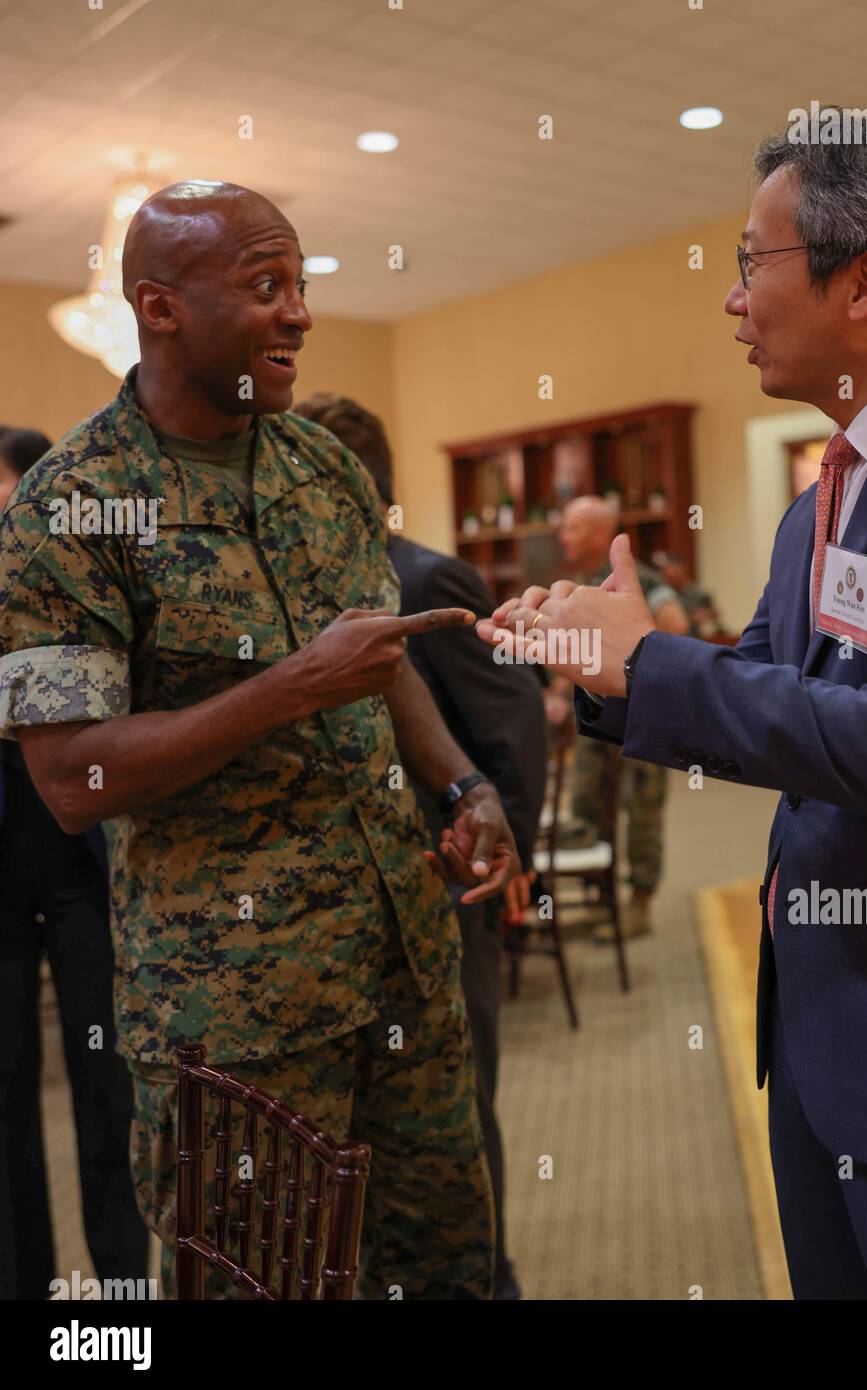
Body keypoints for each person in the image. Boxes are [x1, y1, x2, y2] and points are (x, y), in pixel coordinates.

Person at [478, 113, 867, 1299]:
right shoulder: (825, 495)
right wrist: (600, 668)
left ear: (861, 281)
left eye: (750, 264)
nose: (731, 301)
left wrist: (648, 661)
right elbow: (768, 693)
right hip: (825, 1041)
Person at [0, 180, 522, 1300]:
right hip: (239, 1017)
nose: (299, 315)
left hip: (403, 964)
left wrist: (464, 784)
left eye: (300, 286)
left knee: (447, 1272)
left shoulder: (317, 464)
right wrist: (288, 686)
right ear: (160, 307)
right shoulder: (66, 510)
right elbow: (71, 777)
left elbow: (378, 662)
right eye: (265, 287)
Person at [293, 391, 546, 1300]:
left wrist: (499, 858)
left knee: (457, 1121)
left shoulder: (426, 577)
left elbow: (510, 731)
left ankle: (492, 1277)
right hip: (342, 921)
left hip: (446, 892)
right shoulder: (293, 580)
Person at [0, 425, 148, 1300]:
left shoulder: (84, 581)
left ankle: (125, 1309)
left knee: (111, 1100)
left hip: (90, 878)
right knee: (6, 1103)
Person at [556, 496, 687, 940]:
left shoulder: (642, 582)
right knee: (588, 800)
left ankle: (639, 902)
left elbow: (676, 627)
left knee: (641, 808)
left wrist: (635, 670)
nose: (563, 537)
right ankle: (602, 897)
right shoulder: (581, 583)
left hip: (642, 717)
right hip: (596, 719)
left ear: (596, 533)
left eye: (572, 528)